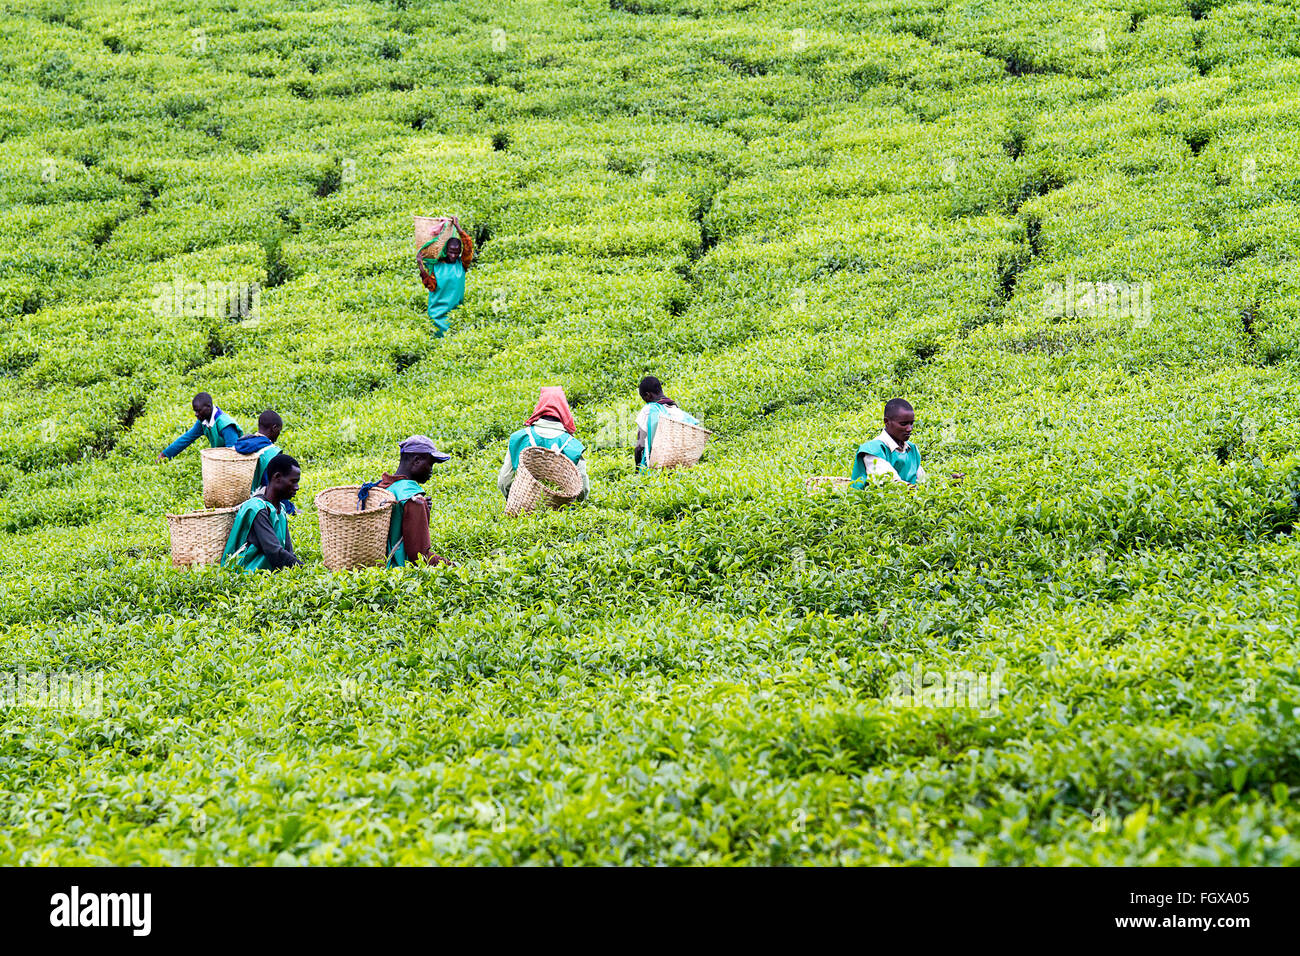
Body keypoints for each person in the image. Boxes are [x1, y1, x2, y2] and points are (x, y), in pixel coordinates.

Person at [370, 435, 453, 567]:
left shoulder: (382, 487)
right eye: (430, 464)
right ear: (416, 461)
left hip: (374, 569)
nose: (431, 470)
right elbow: (420, 556)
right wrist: (452, 566)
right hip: (398, 576)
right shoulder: (413, 498)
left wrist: (423, 512)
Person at [498, 386, 589, 501]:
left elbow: (504, 481)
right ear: (564, 411)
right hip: (561, 513)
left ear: (540, 407)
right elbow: (583, 488)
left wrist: (513, 499)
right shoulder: (573, 446)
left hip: (524, 509)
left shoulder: (519, 438)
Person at [221, 453, 303, 571]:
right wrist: (303, 568)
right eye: (293, 481)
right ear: (277, 477)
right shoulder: (257, 508)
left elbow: (288, 551)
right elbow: (274, 552)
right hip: (245, 573)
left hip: (268, 573)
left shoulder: (281, 509)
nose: (297, 487)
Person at [851, 398, 928, 488]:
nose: (909, 429)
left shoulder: (911, 449)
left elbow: (923, 481)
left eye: (911, 423)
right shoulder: (873, 450)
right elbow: (889, 484)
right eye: (903, 424)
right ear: (886, 422)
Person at [634, 375, 700, 470]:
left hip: (655, 466)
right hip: (679, 466)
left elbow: (640, 447)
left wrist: (637, 471)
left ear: (648, 395)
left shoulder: (649, 409)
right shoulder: (677, 410)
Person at [420, 224, 473, 339]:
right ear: (445, 250)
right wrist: (421, 266)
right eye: (451, 251)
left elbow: (468, 247)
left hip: (455, 315)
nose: (453, 255)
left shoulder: (462, 264)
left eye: (457, 252)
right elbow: (430, 286)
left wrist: (458, 227)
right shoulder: (436, 265)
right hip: (437, 315)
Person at [159, 392, 242, 460]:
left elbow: (233, 452)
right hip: (221, 463)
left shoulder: (225, 424)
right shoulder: (203, 421)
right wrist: (165, 454)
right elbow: (187, 438)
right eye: (195, 411)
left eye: (199, 411)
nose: (196, 414)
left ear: (209, 407)